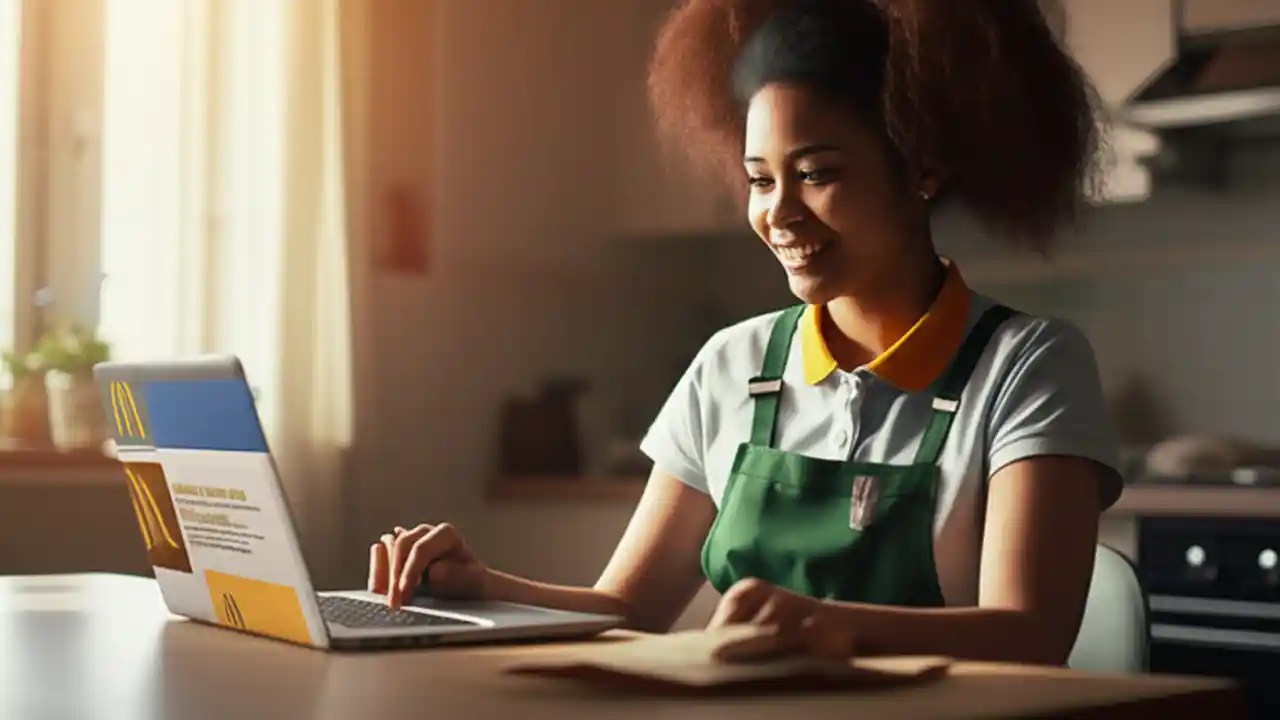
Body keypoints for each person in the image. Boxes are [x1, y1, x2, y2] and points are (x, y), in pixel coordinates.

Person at [367, 0, 1122, 665]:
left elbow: (1031, 636)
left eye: (817, 173)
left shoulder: (1028, 365)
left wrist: (823, 625)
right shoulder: (734, 363)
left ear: (921, 166)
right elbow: (629, 613)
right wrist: (483, 588)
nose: (779, 214)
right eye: (761, 179)